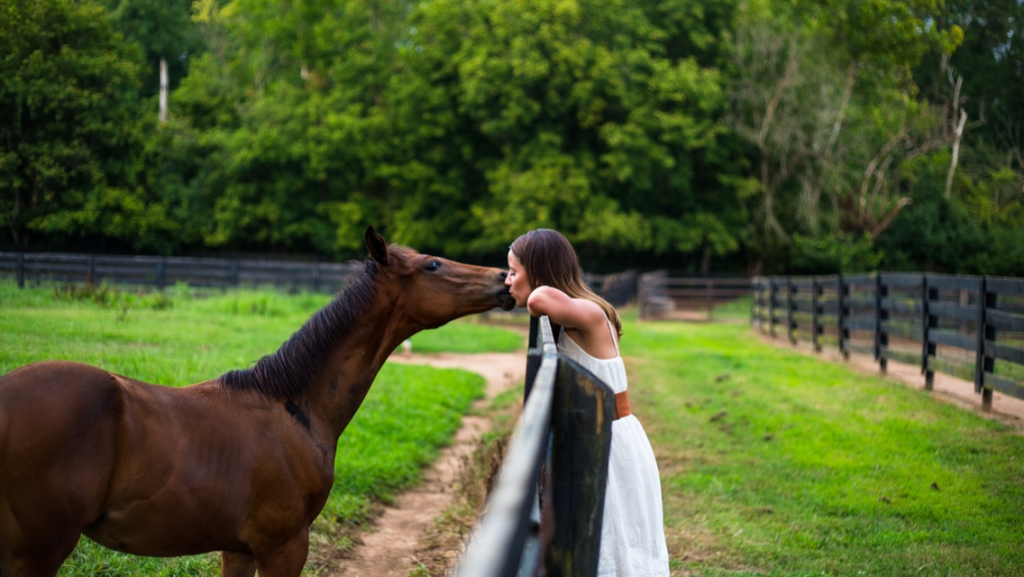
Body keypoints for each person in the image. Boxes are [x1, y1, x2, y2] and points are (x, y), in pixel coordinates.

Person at [505, 229, 670, 577]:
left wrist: (535, 283)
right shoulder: (576, 315)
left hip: (610, 443)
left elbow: (537, 301)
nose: (507, 281)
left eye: (513, 272)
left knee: (613, 541)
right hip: (597, 438)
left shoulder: (590, 314)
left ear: (537, 272)